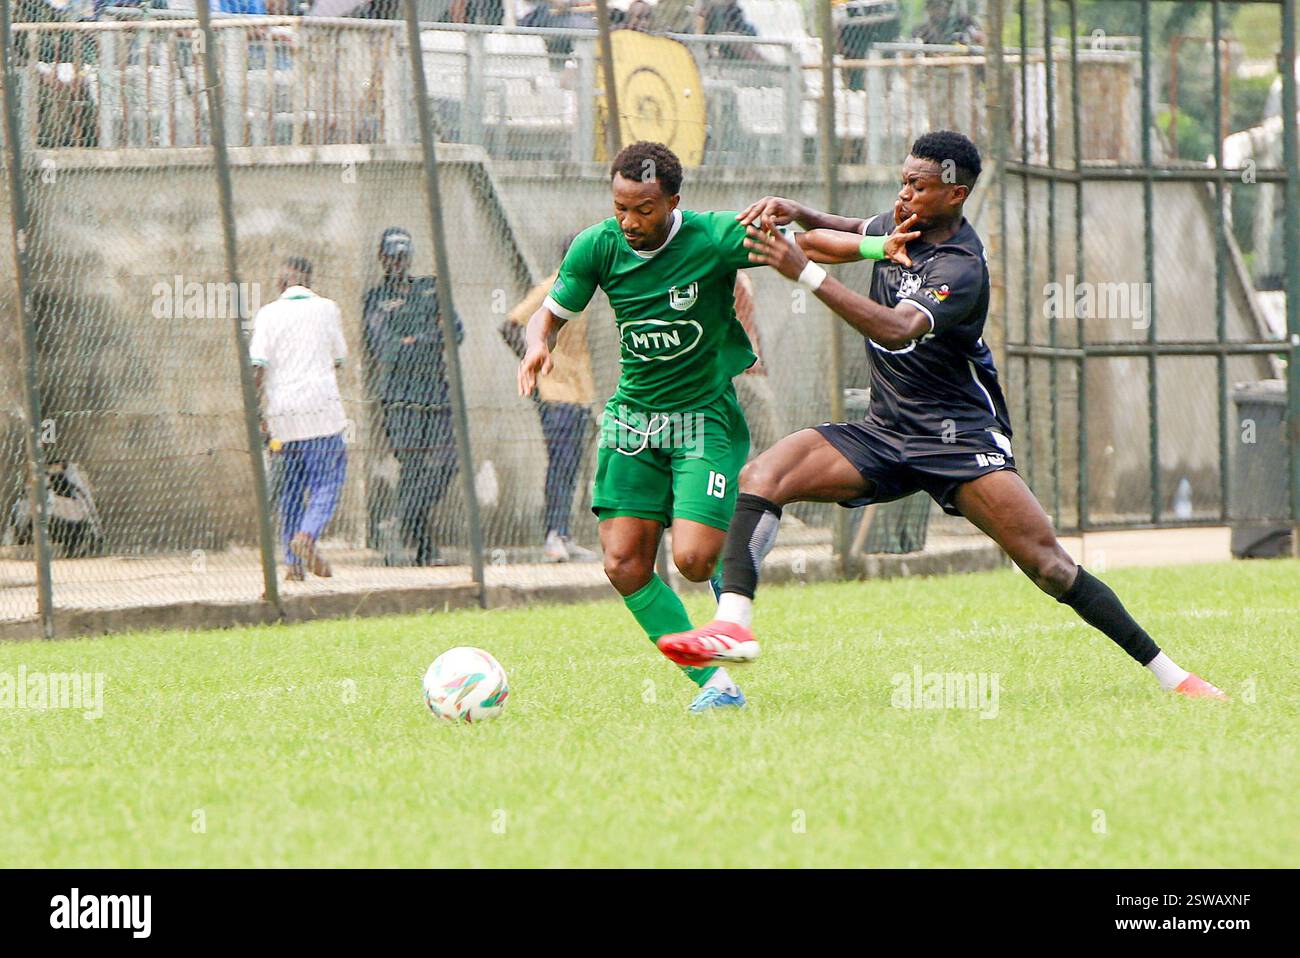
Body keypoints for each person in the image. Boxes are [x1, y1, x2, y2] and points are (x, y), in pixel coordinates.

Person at [657, 130, 1229, 703]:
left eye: (918, 186)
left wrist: (803, 269)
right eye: (903, 181)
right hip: (884, 433)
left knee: (1050, 567)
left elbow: (898, 328)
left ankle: (1174, 676)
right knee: (763, 477)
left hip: (959, 442)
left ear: (955, 194)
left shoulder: (961, 266)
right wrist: (796, 213)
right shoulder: (900, 226)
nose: (903, 196)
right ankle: (732, 625)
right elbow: (853, 231)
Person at [516, 141, 912, 712]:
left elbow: (802, 244)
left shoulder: (713, 236)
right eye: (621, 207)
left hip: (703, 420)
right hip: (633, 424)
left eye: (645, 209)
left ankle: (734, 599)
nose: (630, 221)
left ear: (674, 201)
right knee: (624, 563)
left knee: (694, 560)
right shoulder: (597, 245)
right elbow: (547, 316)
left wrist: (877, 244)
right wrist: (536, 347)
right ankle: (717, 688)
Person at [362, 227, 463, 567]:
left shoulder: (430, 288)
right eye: (391, 256)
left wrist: (411, 340)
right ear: (381, 258)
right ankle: (424, 548)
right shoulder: (375, 299)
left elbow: (455, 331)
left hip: (436, 394)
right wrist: (426, 337)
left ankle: (398, 521)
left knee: (448, 462)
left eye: (403, 256)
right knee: (413, 466)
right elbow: (383, 347)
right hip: (399, 398)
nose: (397, 263)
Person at [501, 236, 600, 563]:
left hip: (579, 392)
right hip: (554, 393)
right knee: (560, 463)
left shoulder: (581, 289)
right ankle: (552, 536)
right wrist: (536, 361)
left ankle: (564, 533)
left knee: (572, 465)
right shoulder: (552, 287)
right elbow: (510, 324)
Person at [250, 257, 348, 581]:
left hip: (283, 415)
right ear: (309, 281)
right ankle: (307, 535)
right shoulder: (328, 309)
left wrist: (257, 414)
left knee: (290, 488)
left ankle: (293, 563)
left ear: (281, 284)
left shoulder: (267, 314)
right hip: (322, 411)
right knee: (327, 481)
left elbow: (257, 368)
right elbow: (338, 359)